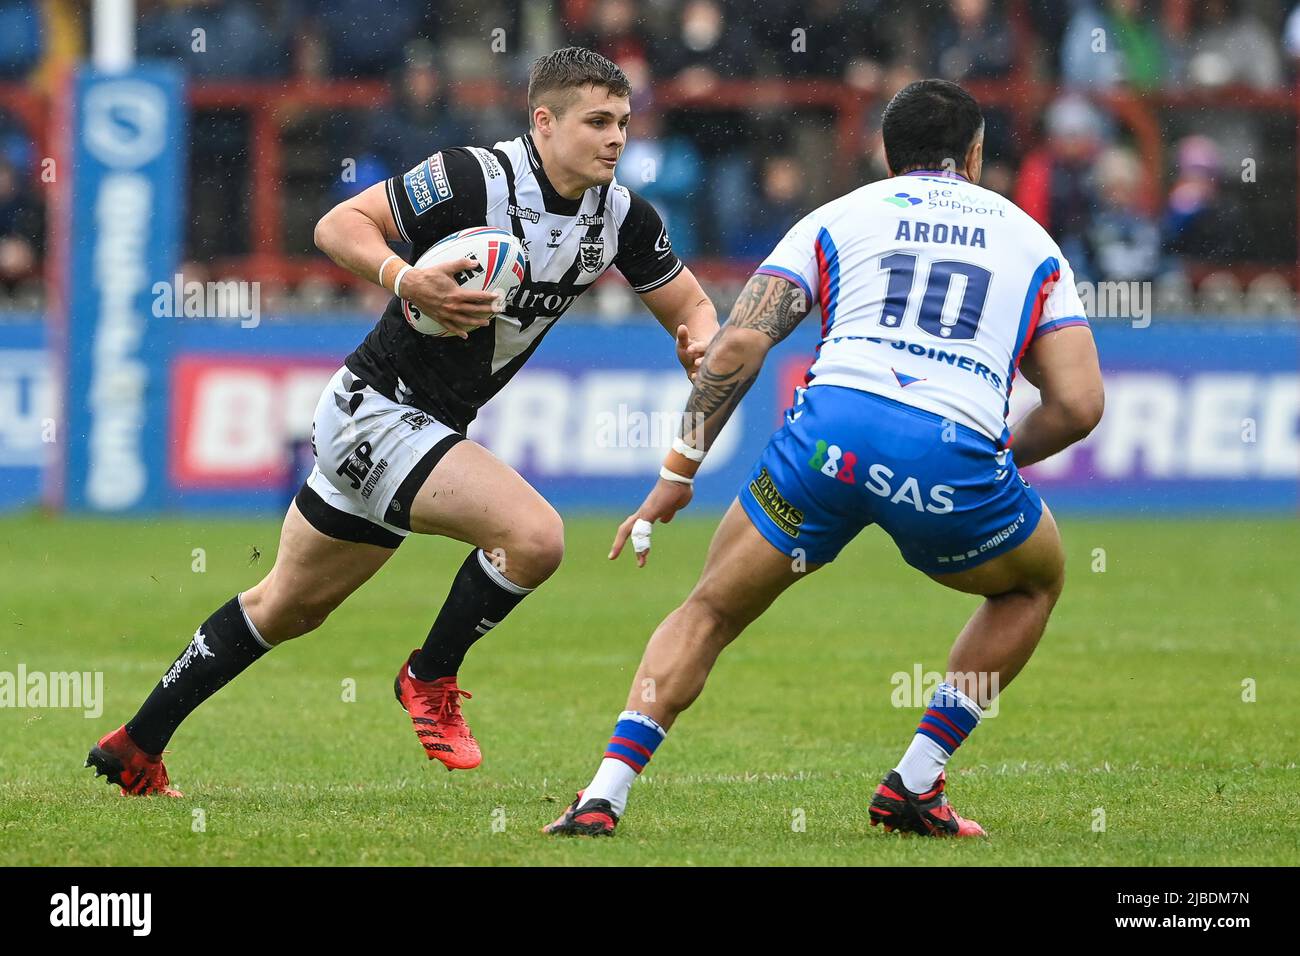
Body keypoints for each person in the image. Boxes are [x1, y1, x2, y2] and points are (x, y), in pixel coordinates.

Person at [86, 47, 719, 796]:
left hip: (410, 425)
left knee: (285, 606)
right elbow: (338, 224)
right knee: (535, 538)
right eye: (597, 121)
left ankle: (136, 743)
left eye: (622, 121)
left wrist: (702, 340)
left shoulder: (620, 219)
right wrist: (405, 275)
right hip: (376, 410)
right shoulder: (469, 177)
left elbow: (692, 307)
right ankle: (428, 677)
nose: (615, 137)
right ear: (543, 123)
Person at [545, 79, 1104, 838]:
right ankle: (914, 782)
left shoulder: (841, 214)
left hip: (827, 440)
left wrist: (677, 475)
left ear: (884, 152)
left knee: (709, 608)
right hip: (949, 459)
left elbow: (740, 343)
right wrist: (995, 450)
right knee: (1034, 583)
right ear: (974, 155)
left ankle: (603, 795)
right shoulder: (1031, 240)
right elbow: (1079, 405)